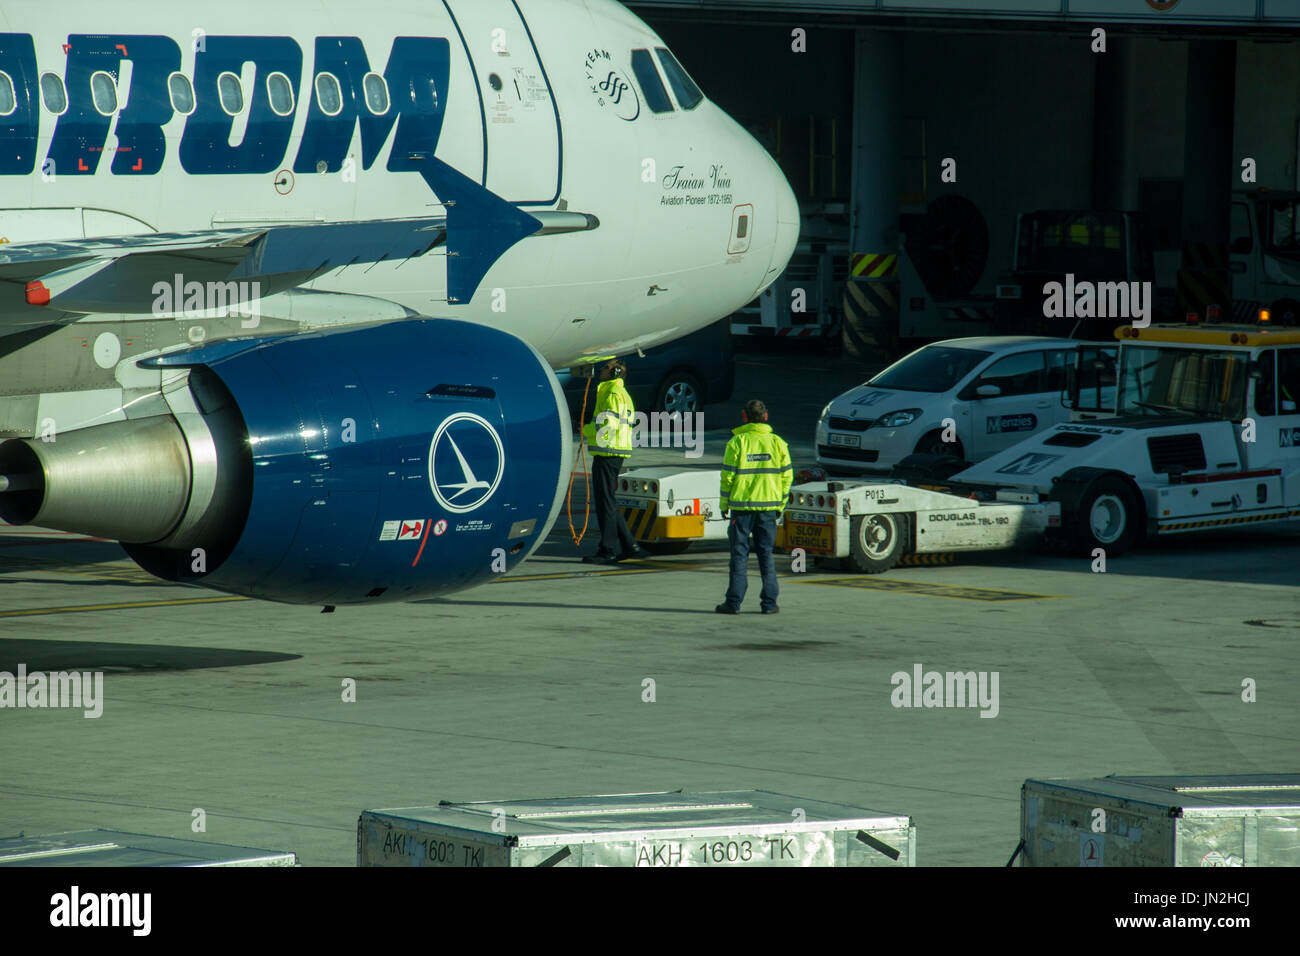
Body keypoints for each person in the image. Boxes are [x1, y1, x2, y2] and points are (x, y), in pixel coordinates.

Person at [716, 399, 793, 615]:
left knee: (739, 556)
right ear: (766, 416)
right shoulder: (779, 443)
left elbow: (727, 478)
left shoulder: (737, 443)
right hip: (768, 509)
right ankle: (769, 604)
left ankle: (733, 603)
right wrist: (781, 504)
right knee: (766, 555)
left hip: (741, 510)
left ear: (744, 417)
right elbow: (787, 477)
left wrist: (724, 504)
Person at [581, 360, 645, 564]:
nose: (601, 370)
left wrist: (585, 430)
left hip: (608, 452)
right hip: (613, 452)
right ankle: (630, 545)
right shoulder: (619, 393)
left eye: (605, 368)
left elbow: (609, 424)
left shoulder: (612, 394)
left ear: (615, 372)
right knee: (609, 501)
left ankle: (607, 550)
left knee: (604, 502)